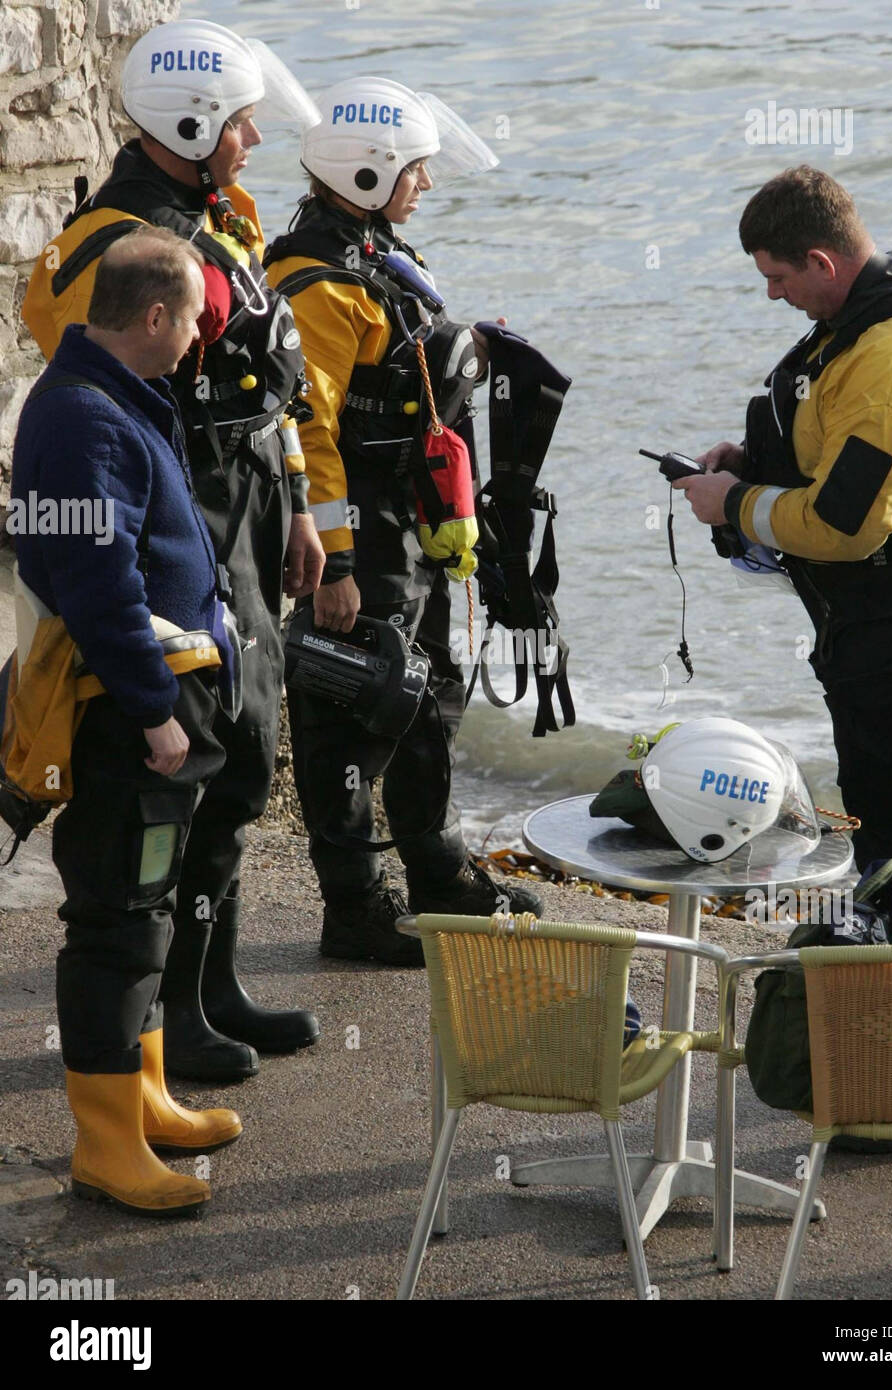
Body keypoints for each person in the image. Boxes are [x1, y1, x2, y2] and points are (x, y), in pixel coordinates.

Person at [22, 20, 325, 1082]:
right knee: (189, 761)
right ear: (188, 123)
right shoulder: (111, 243)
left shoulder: (219, 219)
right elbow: (115, 387)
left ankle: (212, 982)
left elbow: (266, 379)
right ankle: (167, 1017)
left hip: (244, 506)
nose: (250, 139)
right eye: (238, 122)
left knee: (242, 757)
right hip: (182, 512)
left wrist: (296, 506)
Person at [263, 77, 543, 965]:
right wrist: (335, 563)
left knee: (430, 698)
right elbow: (306, 429)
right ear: (371, 172)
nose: (426, 184)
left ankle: (439, 875)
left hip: (406, 524)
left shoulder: (372, 254)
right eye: (415, 171)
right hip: (364, 535)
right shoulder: (315, 282)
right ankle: (353, 908)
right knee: (350, 710)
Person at [674, 165, 892, 898]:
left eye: (777, 277)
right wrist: (756, 463)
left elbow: (842, 525)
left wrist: (733, 504)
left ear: (821, 261)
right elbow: (866, 452)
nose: (771, 294)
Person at [11, 227, 244, 1215]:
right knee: (113, 915)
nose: (197, 339)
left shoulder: (105, 400)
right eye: (192, 318)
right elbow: (91, 578)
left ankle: (142, 1095)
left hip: (155, 692)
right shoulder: (81, 416)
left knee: (147, 905)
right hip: (125, 713)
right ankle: (105, 1146)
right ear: (154, 316)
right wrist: (153, 710)